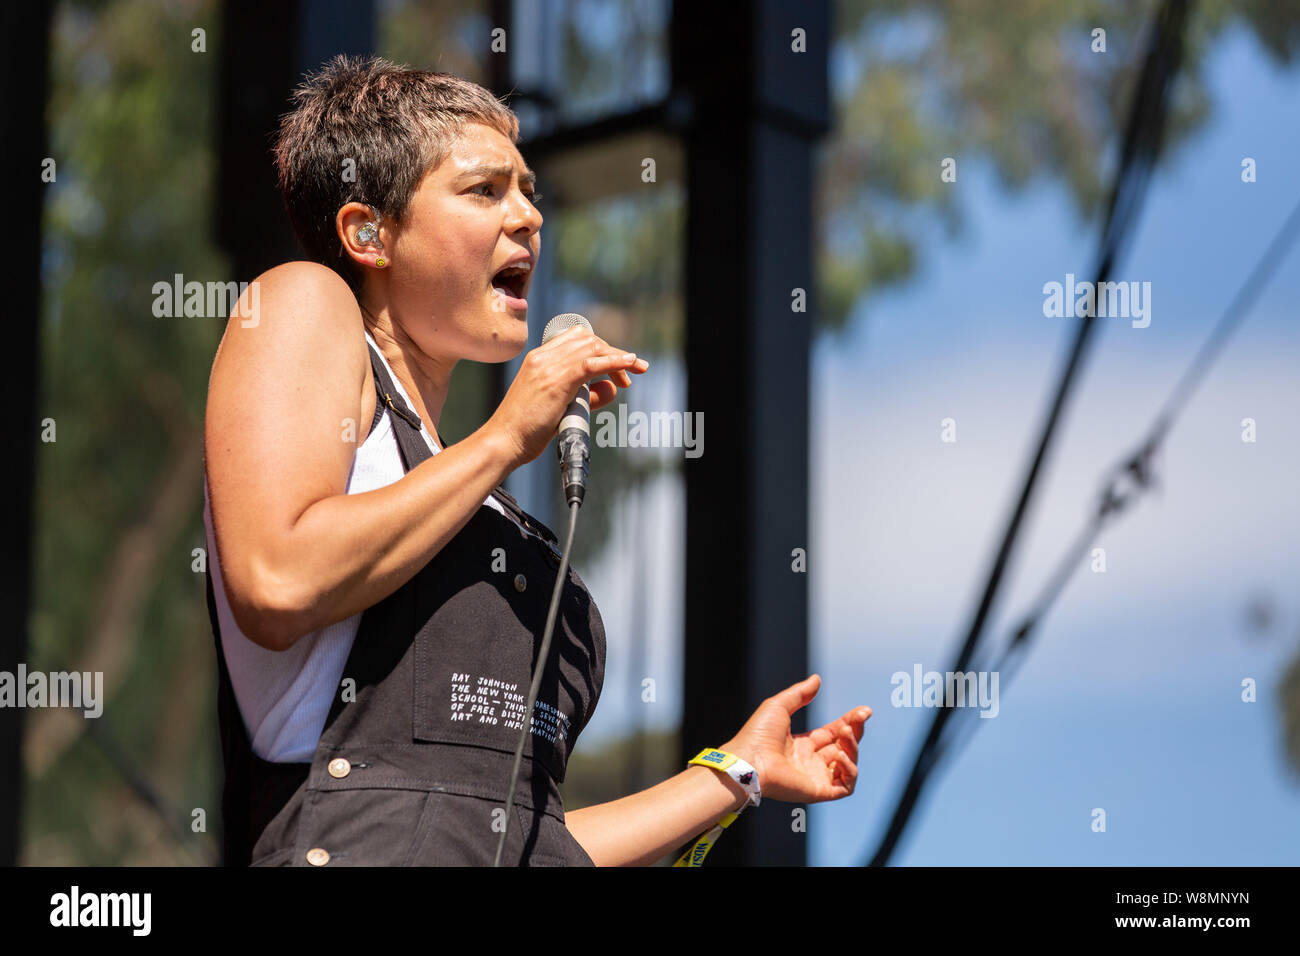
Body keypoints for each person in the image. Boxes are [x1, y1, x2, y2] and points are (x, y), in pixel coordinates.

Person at [202, 53, 871, 867]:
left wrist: (737, 773)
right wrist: (509, 438)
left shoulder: (474, 494)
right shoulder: (303, 301)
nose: (528, 217)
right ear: (367, 232)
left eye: (529, 192)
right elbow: (276, 580)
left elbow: (524, 838)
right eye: (485, 190)